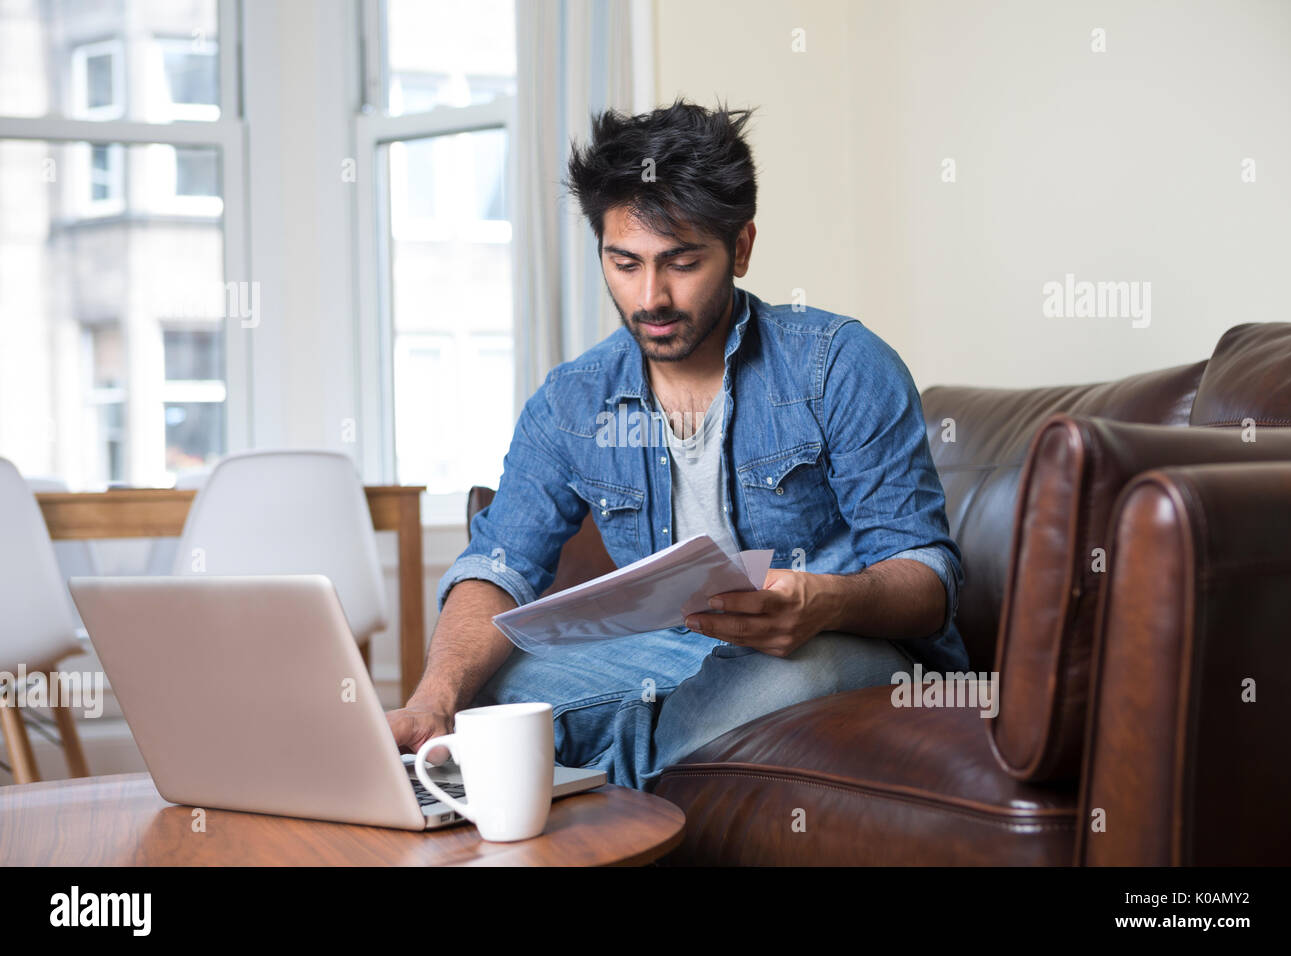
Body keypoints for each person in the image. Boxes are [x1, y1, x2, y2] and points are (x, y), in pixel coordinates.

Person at [387, 98, 968, 791]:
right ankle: (647, 765)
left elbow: (928, 578)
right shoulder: (573, 401)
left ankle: (619, 791)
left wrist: (828, 600)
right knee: (486, 698)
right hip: (670, 654)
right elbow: (497, 564)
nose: (651, 297)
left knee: (748, 690)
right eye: (625, 263)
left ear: (741, 248)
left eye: (681, 263)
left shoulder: (839, 365)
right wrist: (434, 699)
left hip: (834, 647)